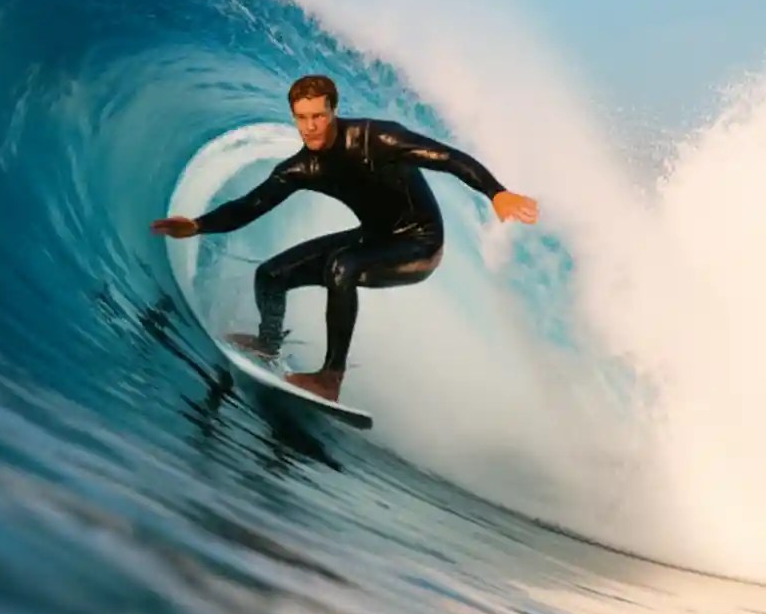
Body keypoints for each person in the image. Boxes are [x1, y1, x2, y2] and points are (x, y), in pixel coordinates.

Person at [150, 75, 538, 401]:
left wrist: (496, 192)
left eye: (319, 115)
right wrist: (199, 225)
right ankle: (269, 343)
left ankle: (330, 377)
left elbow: (446, 157)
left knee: (341, 266)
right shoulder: (303, 168)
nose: (311, 126)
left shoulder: (376, 139)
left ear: (333, 110)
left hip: (420, 243)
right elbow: (250, 205)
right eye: (302, 118)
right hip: (373, 238)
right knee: (271, 275)